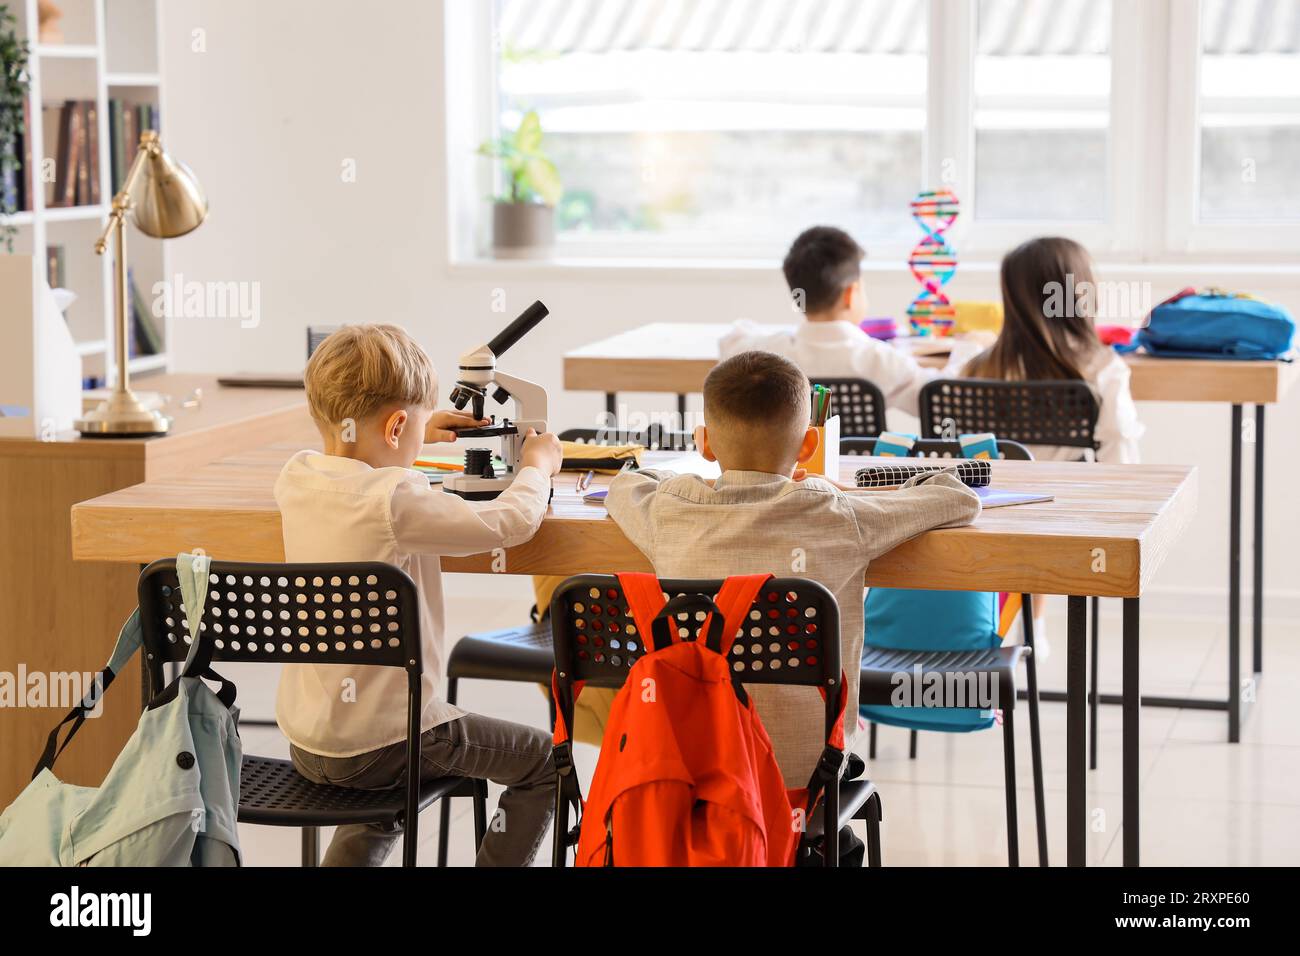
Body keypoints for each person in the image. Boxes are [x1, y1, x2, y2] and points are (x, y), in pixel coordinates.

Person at [605, 350, 982, 783]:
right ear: (809, 445)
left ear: (704, 443)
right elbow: (959, 498)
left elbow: (626, 485)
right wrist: (849, 487)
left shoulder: (668, 510)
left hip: (690, 770)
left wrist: (684, 484)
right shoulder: (838, 513)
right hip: (810, 772)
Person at [275, 323, 563, 866]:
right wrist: (537, 467)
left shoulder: (296, 479)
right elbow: (511, 521)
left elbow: (357, 452)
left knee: (383, 798)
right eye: (413, 427)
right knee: (543, 761)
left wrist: (417, 429)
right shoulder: (396, 499)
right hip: (386, 742)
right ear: (395, 425)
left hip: (313, 741)